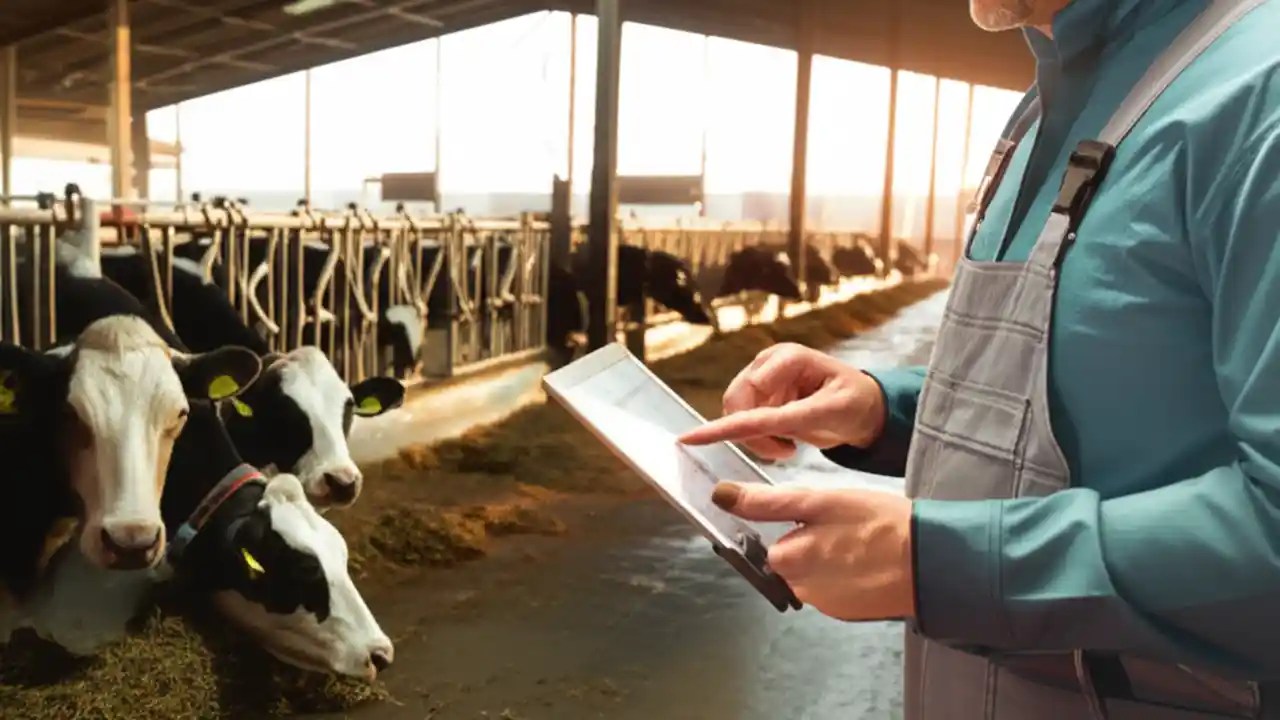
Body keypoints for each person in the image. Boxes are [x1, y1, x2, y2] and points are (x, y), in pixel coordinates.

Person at [678, 0, 1280, 718]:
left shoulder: (1257, 93)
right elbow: (1112, 392)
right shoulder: (1048, 106)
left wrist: (943, 564)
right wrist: (886, 410)